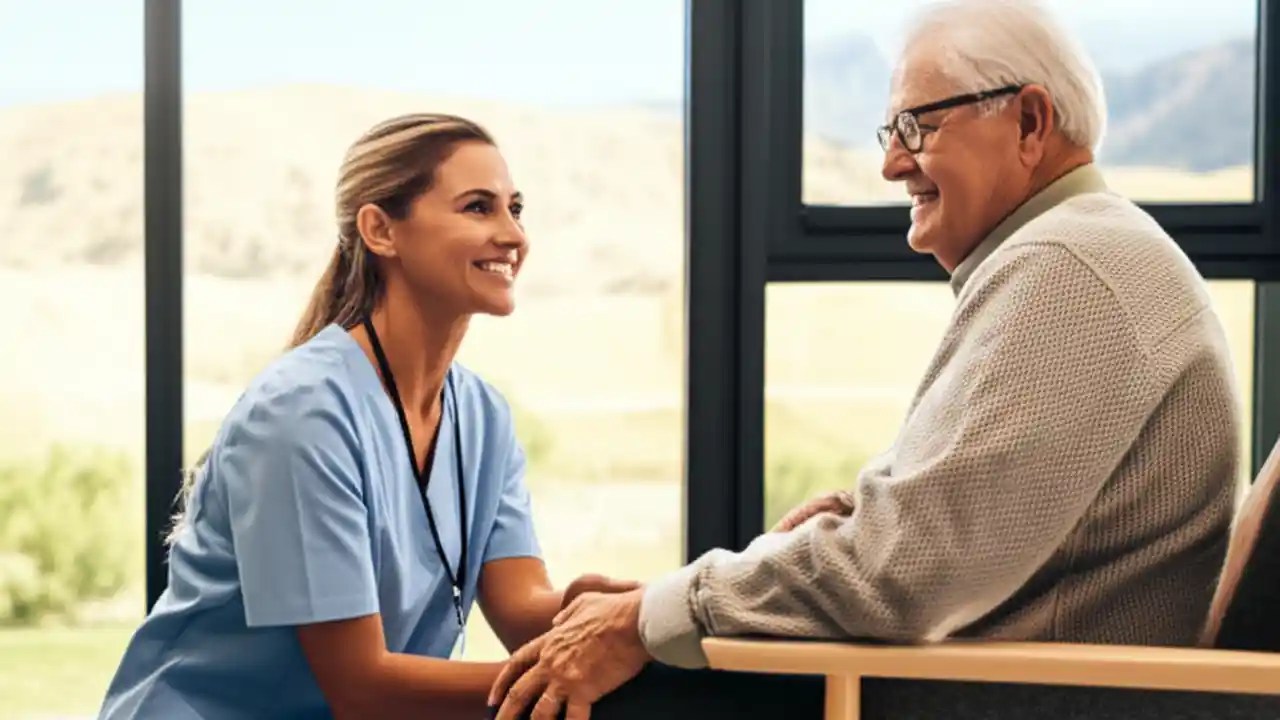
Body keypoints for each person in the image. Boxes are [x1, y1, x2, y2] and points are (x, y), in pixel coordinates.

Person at [488, 1, 1243, 717]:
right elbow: (918, 540)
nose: (890, 164)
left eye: (918, 127)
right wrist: (694, 593)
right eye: (890, 131)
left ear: (1029, 121)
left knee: (562, 698)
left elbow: (900, 573)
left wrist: (652, 615)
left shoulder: (1070, 270)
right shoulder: (1086, 254)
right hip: (984, 688)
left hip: (990, 701)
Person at [98, 113, 635, 719]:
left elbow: (523, 610)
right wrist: (572, 668)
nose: (513, 235)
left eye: (515, 209)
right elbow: (360, 687)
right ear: (381, 230)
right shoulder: (303, 414)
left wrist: (635, 614)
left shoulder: (483, 417)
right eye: (478, 208)